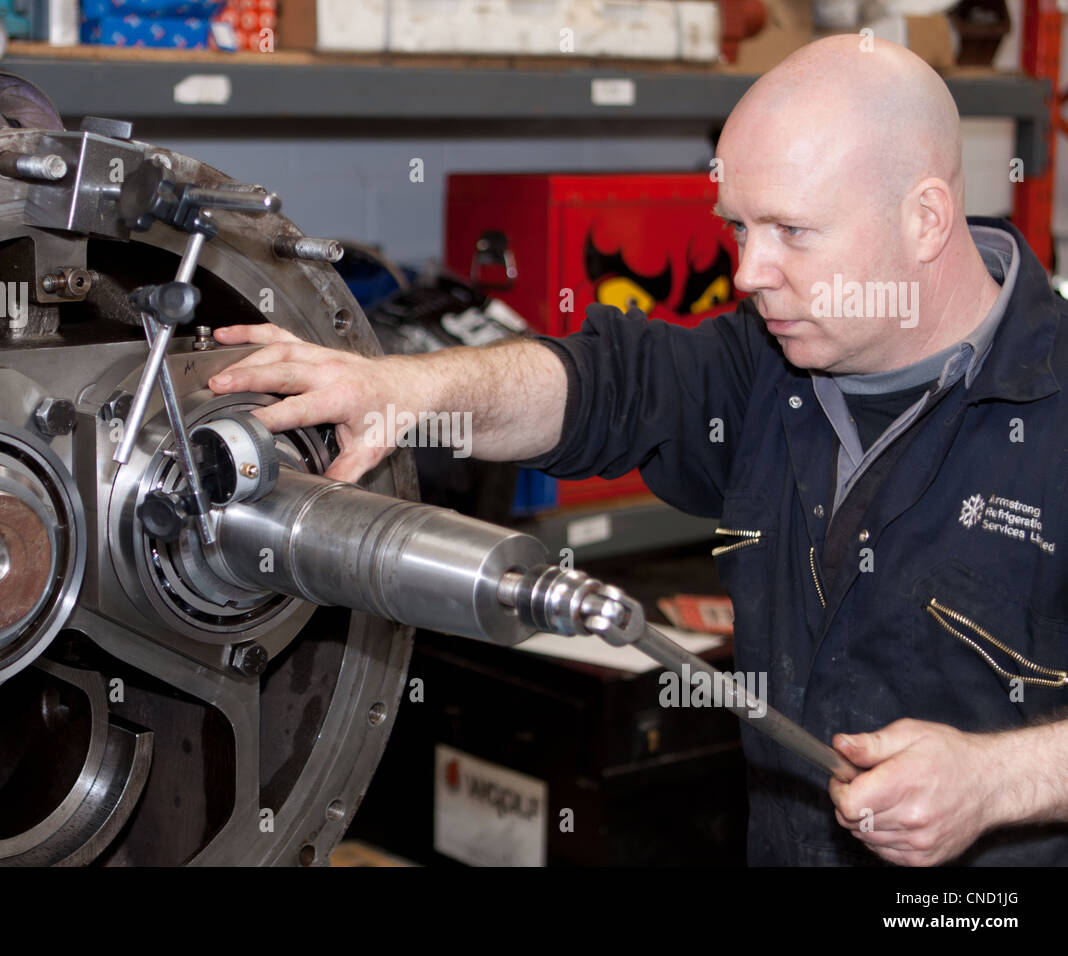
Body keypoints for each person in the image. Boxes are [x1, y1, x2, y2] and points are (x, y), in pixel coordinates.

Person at [208, 34, 1068, 866]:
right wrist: (409, 391)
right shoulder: (769, 364)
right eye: (738, 228)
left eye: (792, 232)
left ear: (924, 218)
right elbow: (599, 386)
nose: (749, 272)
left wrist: (999, 781)